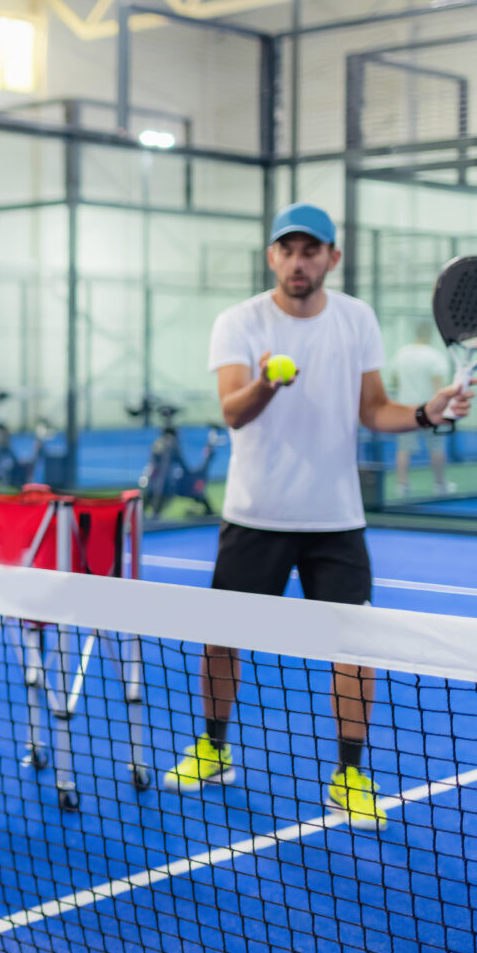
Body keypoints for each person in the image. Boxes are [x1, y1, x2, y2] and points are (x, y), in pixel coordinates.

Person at [161, 202, 470, 830]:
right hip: (255, 516)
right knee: (221, 638)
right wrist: (268, 383)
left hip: (335, 519)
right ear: (272, 256)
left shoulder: (356, 318)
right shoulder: (239, 321)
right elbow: (232, 410)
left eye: (310, 251)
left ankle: (349, 775)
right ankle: (214, 748)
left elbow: (373, 409)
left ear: (332, 257)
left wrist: (425, 413)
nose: (298, 262)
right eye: (288, 250)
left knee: (356, 647)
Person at [388, 322, 454, 496]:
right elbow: (437, 387)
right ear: (429, 335)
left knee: (404, 448)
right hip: (429, 410)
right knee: (436, 447)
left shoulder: (402, 354)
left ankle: (402, 486)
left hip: (405, 408)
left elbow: (394, 380)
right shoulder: (434, 356)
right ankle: (440, 485)